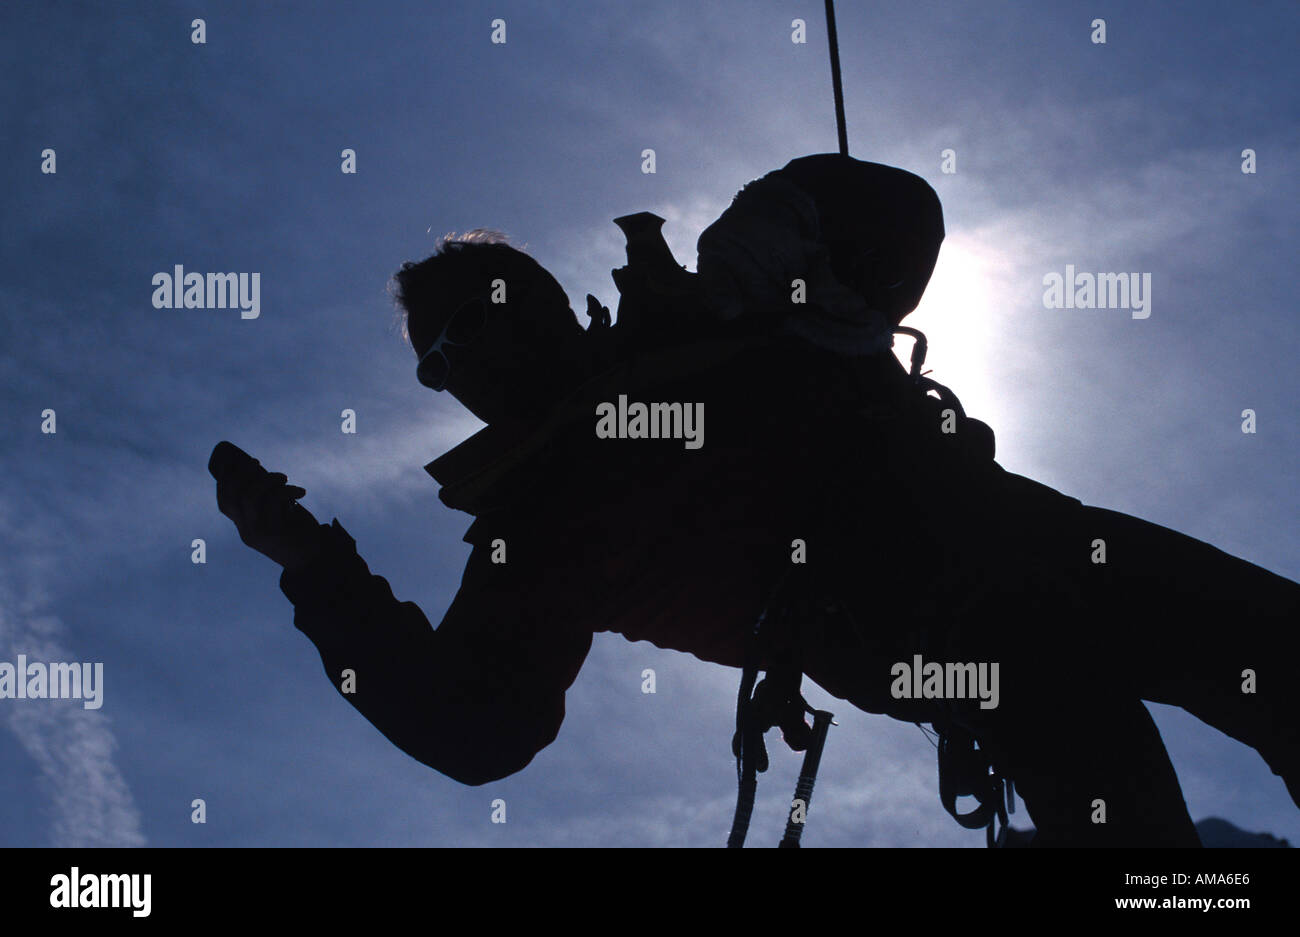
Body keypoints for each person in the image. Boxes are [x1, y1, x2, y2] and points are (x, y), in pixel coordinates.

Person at [210, 154, 1300, 846]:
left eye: (486, 313)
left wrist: (768, 233)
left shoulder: (708, 321)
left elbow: (895, 213)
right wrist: (312, 564)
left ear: (545, 299)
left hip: (1044, 546)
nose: (471, 352)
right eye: (439, 356)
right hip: (950, 643)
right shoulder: (535, 526)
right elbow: (475, 726)